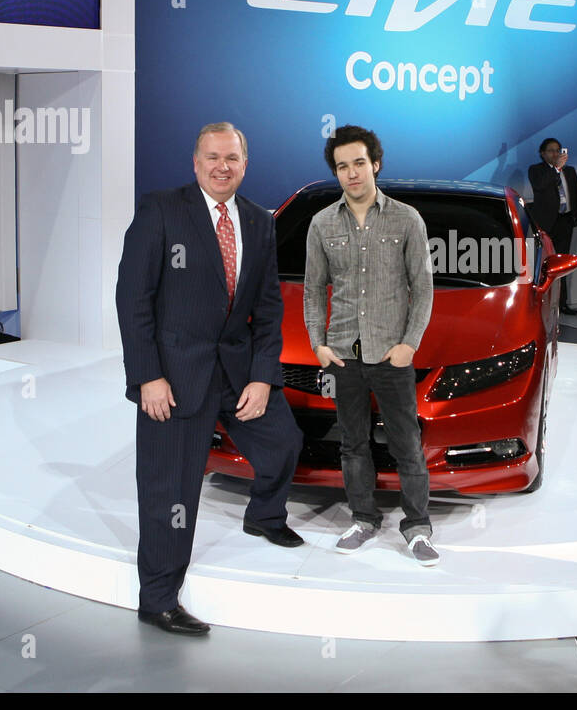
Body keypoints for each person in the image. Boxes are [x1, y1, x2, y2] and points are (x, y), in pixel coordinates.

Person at [116, 121, 303, 636]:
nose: (223, 166)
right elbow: (132, 302)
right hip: (174, 377)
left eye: (233, 158)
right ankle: (157, 600)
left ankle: (263, 516)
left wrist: (264, 377)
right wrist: (148, 376)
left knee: (285, 441)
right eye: (213, 157)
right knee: (170, 491)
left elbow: (267, 310)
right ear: (195, 162)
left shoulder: (261, 222)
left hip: (238, 369)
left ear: (245, 164)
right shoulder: (161, 210)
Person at [303, 125, 438, 564]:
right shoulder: (322, 223)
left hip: (390, 354)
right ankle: (363, 518)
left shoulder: (405, 219)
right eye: (342, 166)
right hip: (344, 356)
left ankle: (417, 527)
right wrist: (318, 344)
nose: (352, 173)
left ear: (375, 163)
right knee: (353, 443)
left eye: (359, 163)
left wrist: (409, 345)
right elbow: (312, 290)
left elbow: (424, 287)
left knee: (406, 443)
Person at [528, 137, 577, 315]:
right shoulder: (536, 170)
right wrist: (556, 169)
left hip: (565, 221)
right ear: (542, 153)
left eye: (558, 150)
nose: (556, 153)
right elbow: (540, 186)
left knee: (563, 265)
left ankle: (562, 303)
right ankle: (540, 303)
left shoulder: (571, 171)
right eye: (551, 150)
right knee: (544, 264)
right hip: (546, 223)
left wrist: (575, 218)